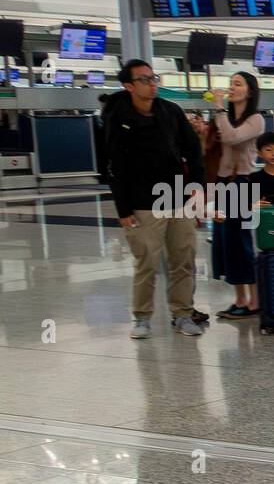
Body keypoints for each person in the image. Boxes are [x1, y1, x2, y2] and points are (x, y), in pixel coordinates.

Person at [104, 60, 206, 339]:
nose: (153, 84)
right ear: (128, 86)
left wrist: (196, 186)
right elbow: (112, 166)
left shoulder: (170, 112)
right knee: (146, 262)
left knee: (183, 260)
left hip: (177, 198)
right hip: (142, 204)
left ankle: (182, 314)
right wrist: (123, 208)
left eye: (154, 78)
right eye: (145, 79)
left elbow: (193, 151)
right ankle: (142, 317)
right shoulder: (117, 118)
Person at [208, 71, 265, 320]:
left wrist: (219, 109)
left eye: (238, 84)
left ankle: (255, 301)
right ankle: (239, 298)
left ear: (249, 91)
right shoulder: (226, 118)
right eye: (231, 83)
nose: (232, 87)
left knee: (241, 241)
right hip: (223, 182)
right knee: (225, 241)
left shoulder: (256, 120)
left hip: (242, 182)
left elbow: (232, 138)